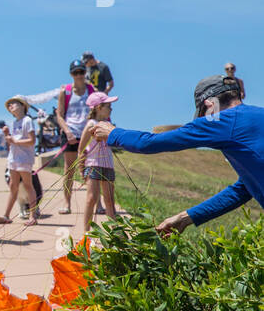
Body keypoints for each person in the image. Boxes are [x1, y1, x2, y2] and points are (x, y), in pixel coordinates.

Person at [93, 76, 264, 235]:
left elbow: (148, 143)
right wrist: (185, 217)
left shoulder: (220, 121)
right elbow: (244, 188)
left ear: (210, 104)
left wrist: (113, 133)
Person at [55, 60, 97, 215]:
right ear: (71, 74)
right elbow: (59, 114)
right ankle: (67, 204)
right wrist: (67, 132)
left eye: (81, 72)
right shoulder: (65, 91)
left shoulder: (91, 90)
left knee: (92, 168)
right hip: (71, 133)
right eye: (75, 73)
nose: (79, 75)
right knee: (69, 170)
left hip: (88, 132)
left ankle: (96, 204)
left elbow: (96, 110)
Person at [77, 92, 119, 232]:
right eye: (109, 106)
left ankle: (115, 233)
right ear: (99, 107)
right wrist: (81, 168)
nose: (111, 109)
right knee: (91, 198)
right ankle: (86, 233)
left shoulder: (108, 124)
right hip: (93, 164)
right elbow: (81, 148)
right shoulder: (91, 124)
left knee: (109, 201)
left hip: (108, 164)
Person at [0, 96, 38, 225]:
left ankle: (32, 216)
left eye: (14, 103)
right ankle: (6, 215)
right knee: (13, 186)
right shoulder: (14, 122)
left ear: (23, 106)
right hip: (13, 158)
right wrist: (8, 135)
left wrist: (14, 140)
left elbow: (32, 140)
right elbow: (12, 141)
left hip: (24, 158)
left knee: (28, 185)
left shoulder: (27, 120)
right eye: (9, 105)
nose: (11, 106)